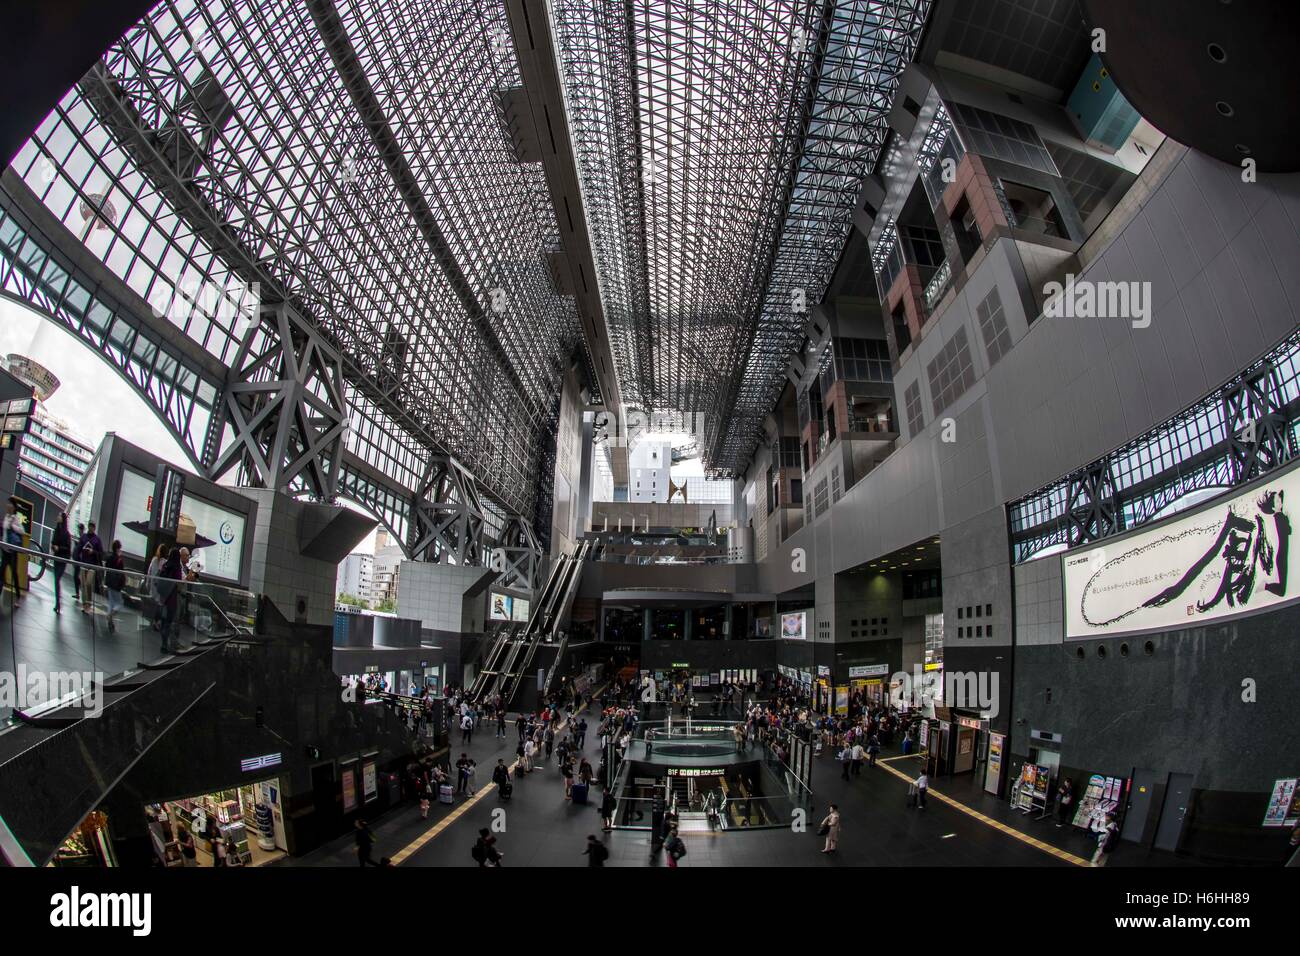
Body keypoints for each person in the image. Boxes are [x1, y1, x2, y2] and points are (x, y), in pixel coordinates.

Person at [157, 548, 184, 653]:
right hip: (171, 598)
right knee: (168, 621)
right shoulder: (177, 567)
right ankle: (164, 644)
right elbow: (178, 583)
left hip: (163, 597)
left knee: (164, 621)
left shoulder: (165, 565)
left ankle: (163, 642)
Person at [1, 500, 25, 607]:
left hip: (11, 551)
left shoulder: (15, 518)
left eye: (10, 504)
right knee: (1, 572)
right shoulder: (6, 516)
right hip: (4, 550)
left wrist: (13, 527)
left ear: (14, 507)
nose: (8, 505)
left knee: (14, 574)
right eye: (8, 503)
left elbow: (22, 531)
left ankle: (18, 597)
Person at [76, 521, 103, 614]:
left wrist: (93, 552)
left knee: (88, 583)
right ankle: (84, 604)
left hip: (92, 565)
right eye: (90, 526)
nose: (91, 528)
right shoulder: (83, 537)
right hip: (84, 563)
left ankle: (89, 603)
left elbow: (101, 553)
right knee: (83, 584)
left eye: (93, 526)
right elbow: (78, 548)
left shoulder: (97, 540)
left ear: (94, 528)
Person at [102, 540, 127, 633]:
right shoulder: (119, 559)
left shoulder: (109, 557)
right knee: (120, 603)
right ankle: (110, 615)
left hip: (109, 582)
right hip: (116, 584)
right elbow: (121, 572)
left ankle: (110, 621)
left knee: (111, 602)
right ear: (118, 548)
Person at [50, 512, 71, 613]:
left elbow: (68, 549)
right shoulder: (56, 530)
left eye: (59, 516)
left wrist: (59, 548)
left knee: (57, 579)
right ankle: (57, 602)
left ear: (63, 519)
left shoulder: (66, 534)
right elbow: (53, 542)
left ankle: (58, 602)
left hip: (62, 559)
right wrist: (53, 547)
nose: (57, 517)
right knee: (56, 580)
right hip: (57, 558)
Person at [146, 543, 167, 630]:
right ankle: (157, 622)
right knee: (160, 605)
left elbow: (149, 572)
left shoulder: (154, 560)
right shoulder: (165, 562)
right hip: (160, 587)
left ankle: (154, 621)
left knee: (155, 603)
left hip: (152, 586)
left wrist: (148, 583)